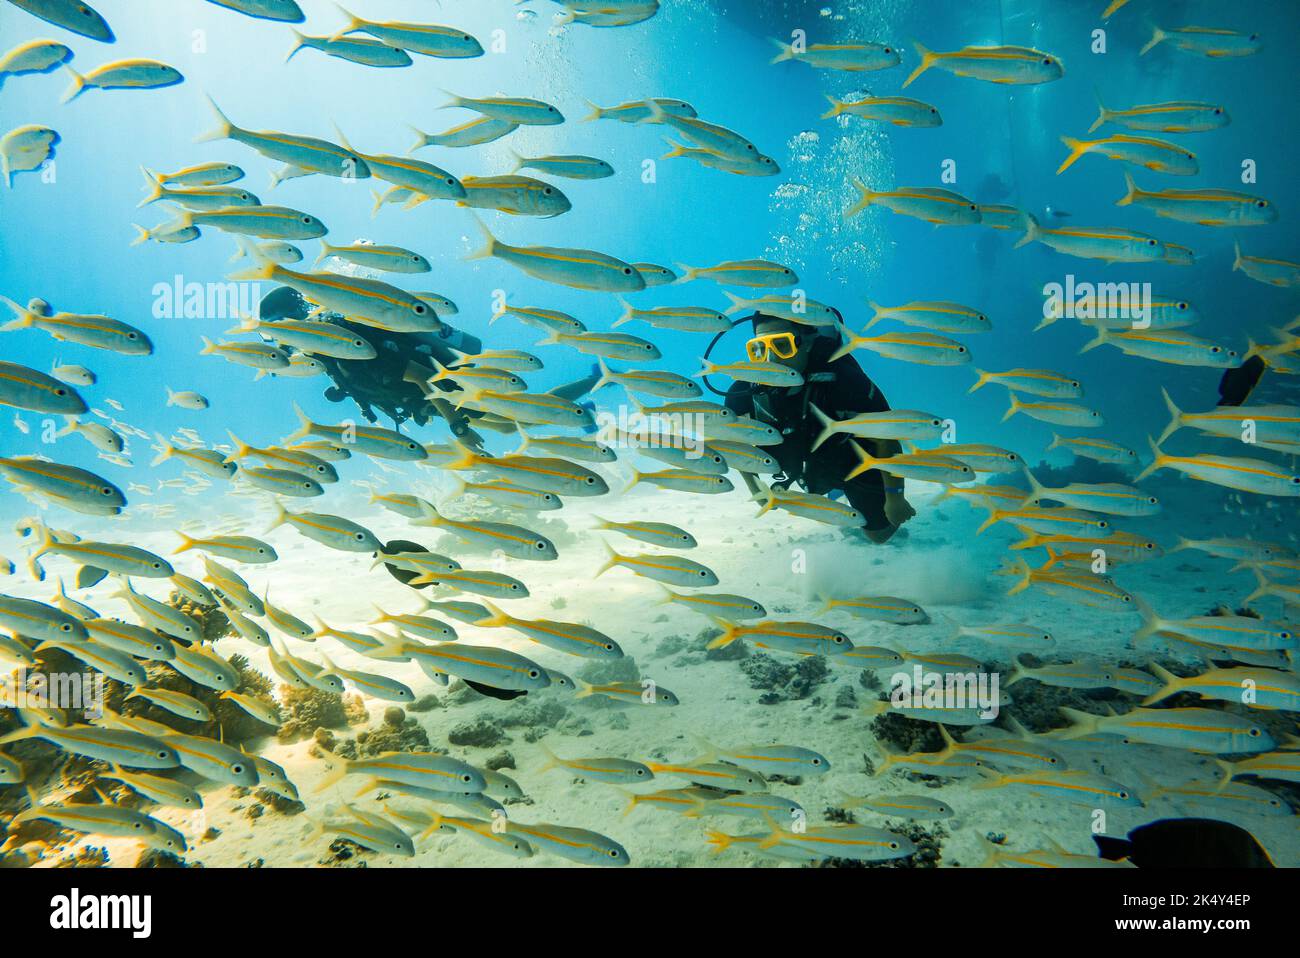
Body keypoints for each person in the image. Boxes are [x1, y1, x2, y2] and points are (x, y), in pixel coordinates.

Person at [256, 286, 600, 449]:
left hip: (453, 390)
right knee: (513, 427)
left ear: (295, 320)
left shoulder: (344, 340)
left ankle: (592, 383)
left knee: (527, 417)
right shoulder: (326, 351)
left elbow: (421, 376)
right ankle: (584, 404)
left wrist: (458, 428)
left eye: (278, 329)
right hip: (425, 402)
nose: (277, 340)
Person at [722, 311, 916, 543]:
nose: (770, 360)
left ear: (806, 343)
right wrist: (755, 487)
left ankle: (840, 489)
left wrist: (895, 497)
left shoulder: (846, 381)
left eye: (782, 345)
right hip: (796, 457)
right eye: (758, 349)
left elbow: (886, 438)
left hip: (850, 457)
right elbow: (739, 443)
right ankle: (826, 488)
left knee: (879, 536)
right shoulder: (742, 391)